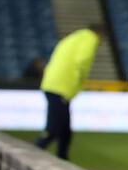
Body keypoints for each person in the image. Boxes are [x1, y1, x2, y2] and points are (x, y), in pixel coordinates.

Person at [35, 24, 104, 160]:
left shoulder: (72, 38)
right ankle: (33, 152)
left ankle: (63, 158)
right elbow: (82, 60)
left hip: (52, 84)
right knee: (53, 129)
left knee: (65, 131)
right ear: (100, 34)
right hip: (61, 87)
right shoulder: (90, 38)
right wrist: (80, 80)